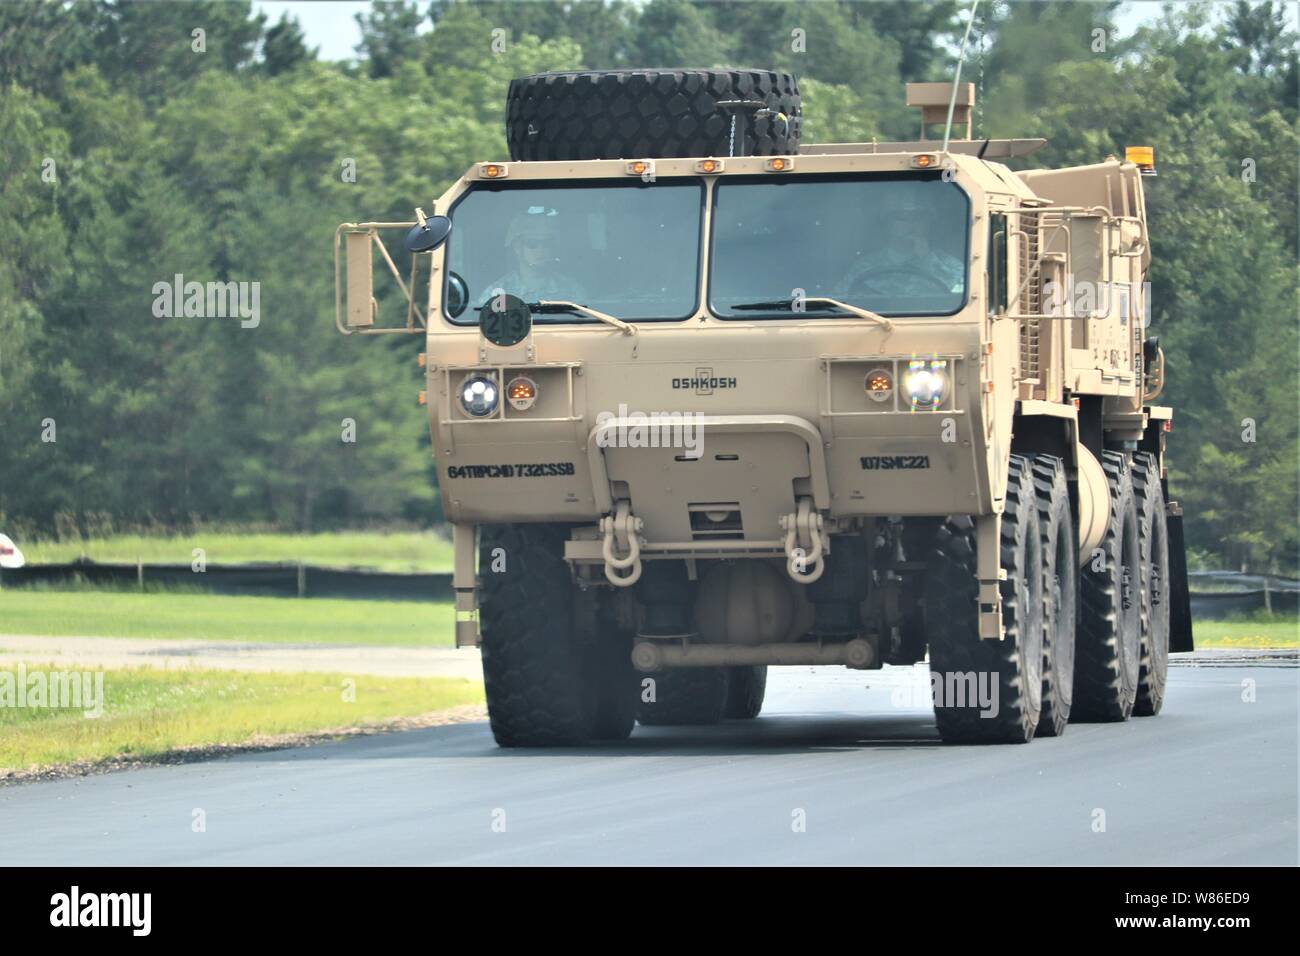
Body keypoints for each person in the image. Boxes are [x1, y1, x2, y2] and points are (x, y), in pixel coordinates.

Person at [843, 191, 965, 297]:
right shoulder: (865, 266)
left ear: (929, 224)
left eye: (918, 218)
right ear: (887, 225)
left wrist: (926, 259)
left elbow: (960, 298)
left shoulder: (949, 265)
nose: (911, 224)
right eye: (902, 218)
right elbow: (841, 301)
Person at [480, 211, 587, 306]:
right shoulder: (498, 293)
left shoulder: (571, 289)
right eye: (532, 243)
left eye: (547, 243)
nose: (541, 250)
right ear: (518, 248)